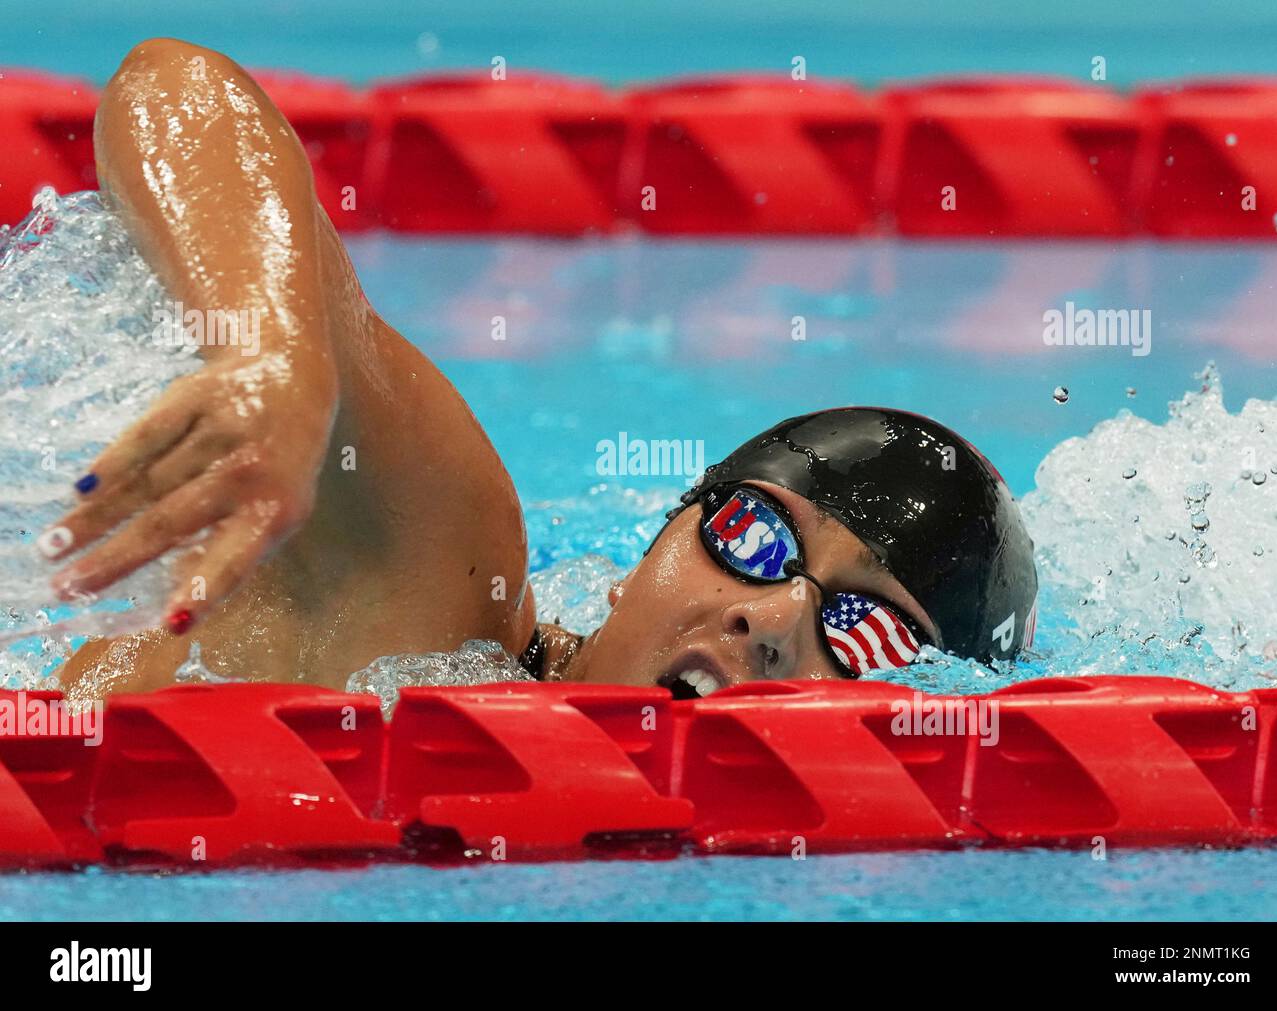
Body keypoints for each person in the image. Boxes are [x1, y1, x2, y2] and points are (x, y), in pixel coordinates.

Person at [45, 38, 1036, 701]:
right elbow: (175, 89)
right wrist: (277, 356)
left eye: (865, 633)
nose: (766, 616)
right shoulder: (437, 590)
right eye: (755, 535)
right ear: (645, 555)